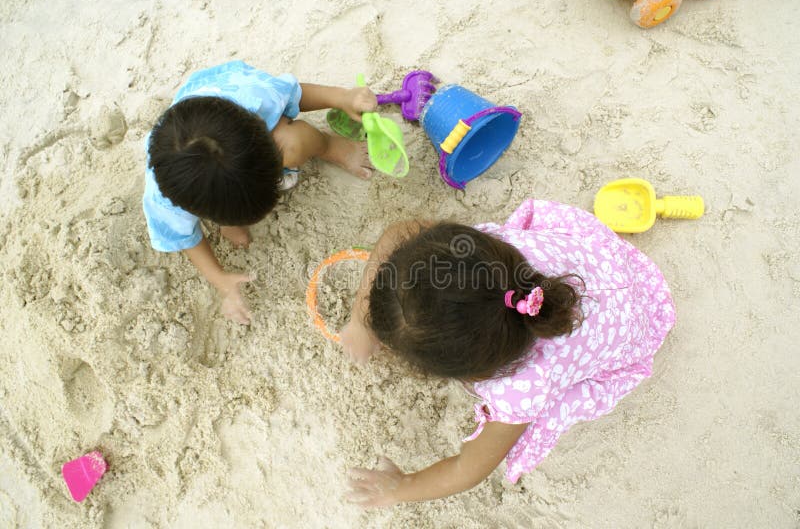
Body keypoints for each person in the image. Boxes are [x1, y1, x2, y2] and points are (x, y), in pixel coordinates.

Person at [339, 199, 676, 506]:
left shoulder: (522, 388)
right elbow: (398, 235)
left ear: (473, 374)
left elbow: (466, 469)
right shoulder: (482, 260)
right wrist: (359, 320)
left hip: (629, 332)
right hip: (604, 268)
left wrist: (401, 487)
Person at [143, 60, 377, 324]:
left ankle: (330, 145)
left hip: (226, 101)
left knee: (296, 142)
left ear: (259, 124)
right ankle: (230, 219)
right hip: (209, 137)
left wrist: (341, 97)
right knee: (225, 187)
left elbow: (295, 94)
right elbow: (183, 237)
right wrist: (220, 280)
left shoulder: (257, 97)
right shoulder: (164, 199)